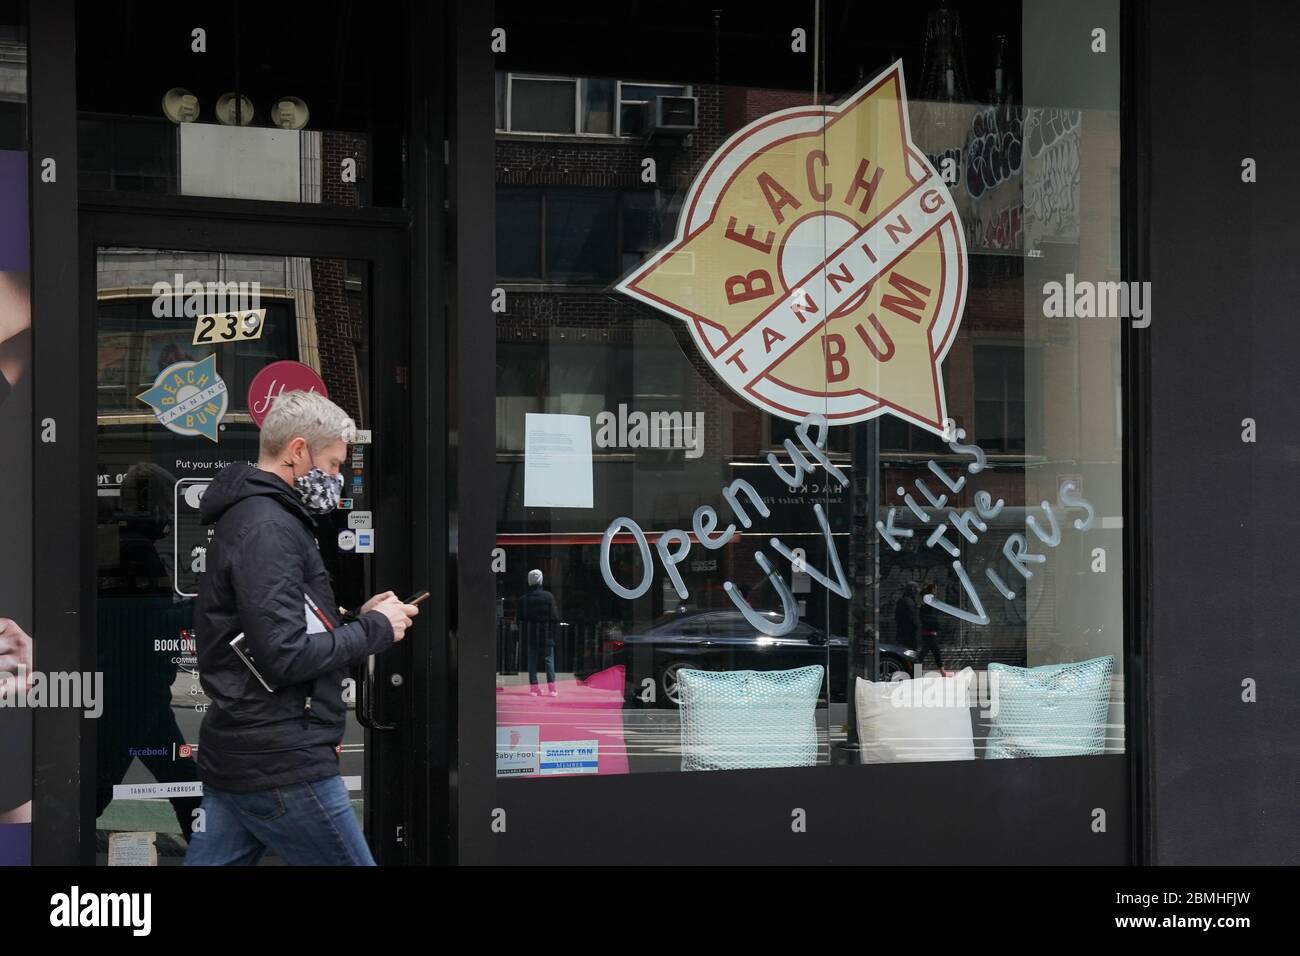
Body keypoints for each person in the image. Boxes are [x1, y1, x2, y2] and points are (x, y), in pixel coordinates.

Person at [184, 390, 418, 866]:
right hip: (282, 758)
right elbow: (285, 654)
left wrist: (353, 620)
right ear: (297, 451)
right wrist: (374, 630)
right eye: (333, 465)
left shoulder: (259, 519)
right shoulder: (270, 529)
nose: (336, 479)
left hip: (251, 750)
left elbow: (277, 629)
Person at [519, 569, 559, 697]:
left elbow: (521, 618)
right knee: (549, 661)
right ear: (541, 580)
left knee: (532, 661)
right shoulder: (549, 596)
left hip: (531, 634)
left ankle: (534, 688)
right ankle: (552, 689)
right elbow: (555, 617)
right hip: (547, 634)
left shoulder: (523, 599)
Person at [918, 582, 949, 675]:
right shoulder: (931, 602)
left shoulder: (925, 602)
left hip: (928, 631)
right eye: (936, 589)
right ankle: (915, 672)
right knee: (923, 654)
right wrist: (936, 627)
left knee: (936, 652)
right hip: (930, 632)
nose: (937, 591)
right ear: (933, 590)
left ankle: (943, 672)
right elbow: (932, 617)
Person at [894, 581, 921, 655]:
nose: (917, 593)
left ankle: (907, 667)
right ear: (912, 589)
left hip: (901, 634)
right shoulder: (910, 602)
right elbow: (912, 618)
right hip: (910, 635)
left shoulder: (902, 600)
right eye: (916, 590)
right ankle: (917, 667)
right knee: (914, 655)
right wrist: (917, 626)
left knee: (902, 655)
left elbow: (897, 618)